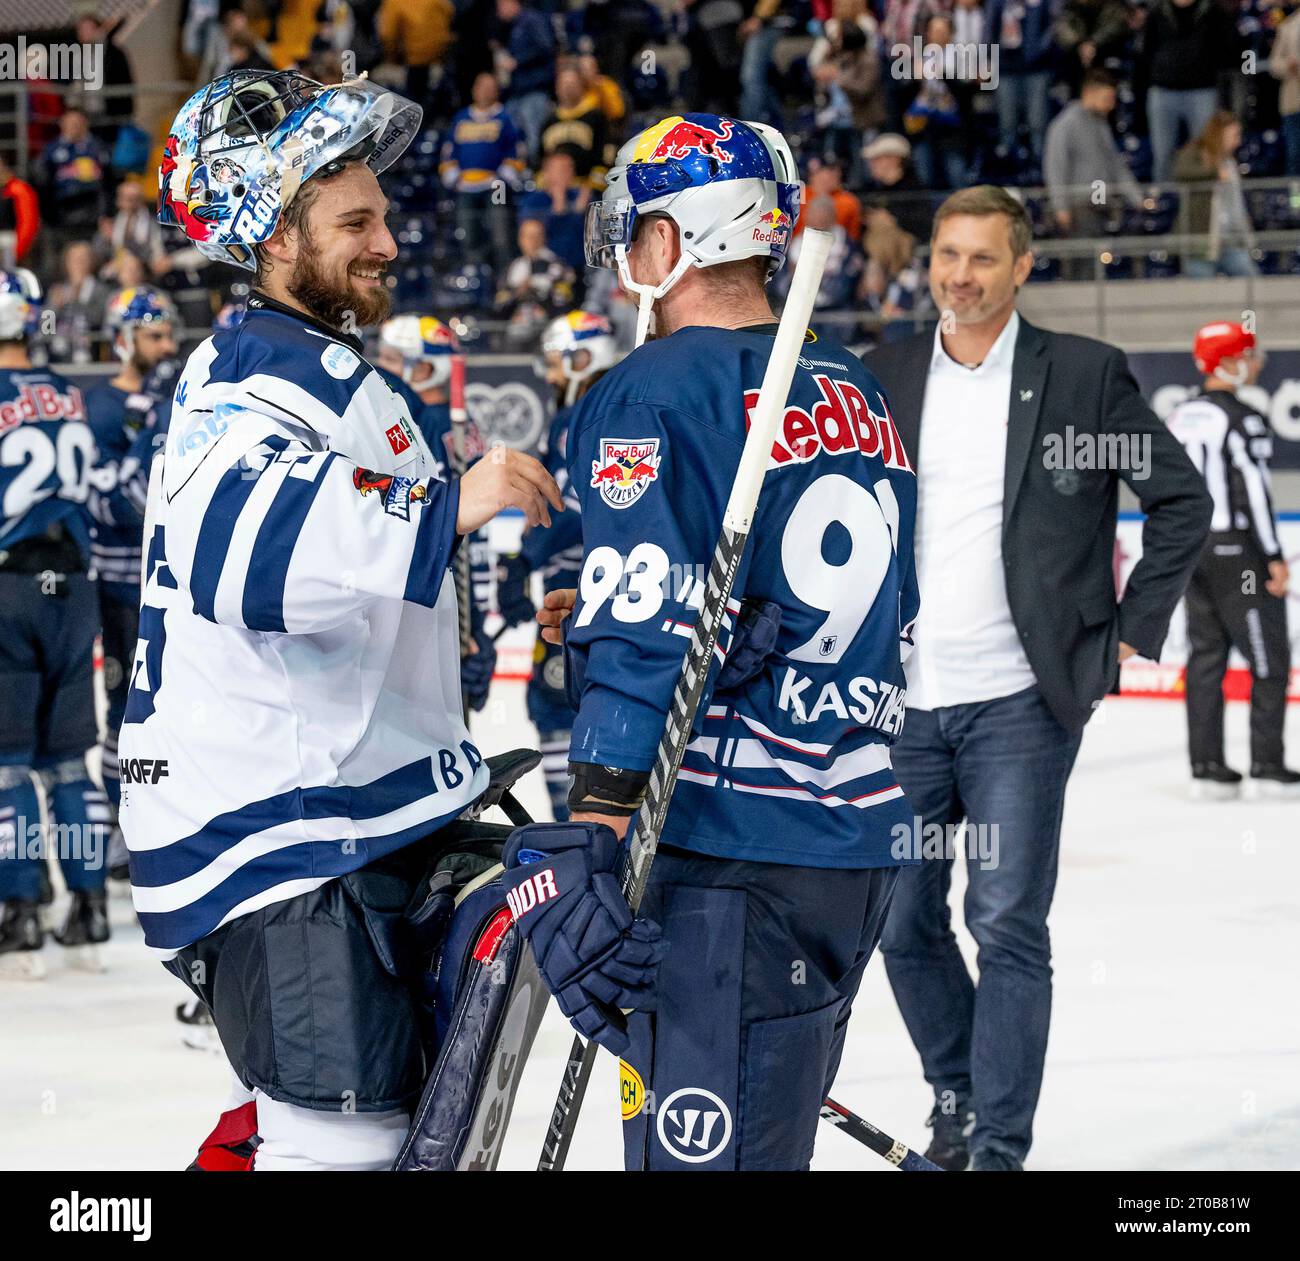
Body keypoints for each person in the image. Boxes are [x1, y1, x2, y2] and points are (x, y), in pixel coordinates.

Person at [128, 69, 562, 1170]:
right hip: (279, 836)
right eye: (354, 221)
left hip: (340, 809)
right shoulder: (246, 376)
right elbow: (245, 556)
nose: (386, 243)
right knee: (347, 1146)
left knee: (382, 1124)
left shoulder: (307, 372)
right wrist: (445, 503)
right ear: (276, 237)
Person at [511, 112, 919, 1170]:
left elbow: (650, 626)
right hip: (851, 841)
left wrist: (596, 821)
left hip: (722, 848)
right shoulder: (854, 387)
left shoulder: (648, 388)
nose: (620, 257)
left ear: (670, 241)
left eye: (632, 230)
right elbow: (890, 606)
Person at [866, 185, 1211, 1170]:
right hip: (901, 705)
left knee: (1005, 918)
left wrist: (1123, 636)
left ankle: (998, 1147)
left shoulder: (1082, 378)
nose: (959, 276)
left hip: (1021, 703)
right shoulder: (881, 375)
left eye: (982, 258)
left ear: (1021, 268)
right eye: (946, 255)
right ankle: (959, 1089)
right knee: (900, 919)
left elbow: (1179, 504)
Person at [0, 270, 112, 978]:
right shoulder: (72, 395)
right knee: (69, 762)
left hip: (9, 582)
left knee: (7, 765)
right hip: (74, 587)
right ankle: (91, 902)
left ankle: (20, 909)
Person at [1167, 322, 1297, 796]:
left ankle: (1207, 768)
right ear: (1227, 362)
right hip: (1237, 553)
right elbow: (1255, 495)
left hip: (1193, 550)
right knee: (1268, 657)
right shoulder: (1243, 418)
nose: (1256, 362)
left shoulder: (1179, 417)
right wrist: (1274, 557)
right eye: (1248, 354)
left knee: (1206, 657)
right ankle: (1266, 765)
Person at [506, 310, 618, 820]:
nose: (551, 375)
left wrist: (522, 559)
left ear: (582, 357)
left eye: (557, 363)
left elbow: (573, 509)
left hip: (581, 590)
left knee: (558, 705)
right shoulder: (578, 411)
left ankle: (574, 830)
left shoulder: (588, 413)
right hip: (576, 586)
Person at [84, 288, 179, 848]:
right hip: (119, 586)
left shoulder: (177, 400)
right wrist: (145, 439)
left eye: (169, 335)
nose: (166, 347)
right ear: (123, 340)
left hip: (170, 586)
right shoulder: (98, 408)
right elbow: (106, 503)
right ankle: (117, 835)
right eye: (153, 335)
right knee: (123, 710)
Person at [374, 314, 497, 713]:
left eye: (392, 359)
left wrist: (469, 625)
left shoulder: (423, 423)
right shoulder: (456, 425)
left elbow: (447, 527)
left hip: (435, 608)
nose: (380, 367)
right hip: (452, 608)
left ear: (424, 368)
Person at [1043, 68, 1144, 276]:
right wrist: (1060, 206)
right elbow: (1055, 166)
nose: (1112, 103)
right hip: (1079, 208)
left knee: (1097, 268)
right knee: (1083, 268)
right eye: (1107, 97)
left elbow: (1116, 166)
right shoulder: (1066, 123)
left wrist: (1137, 198)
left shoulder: (1100, 124)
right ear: (1089, 93)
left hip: (1100, 207)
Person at [1139, 0, 1238, 184]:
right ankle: (1164, 205)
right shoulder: (1158, 11)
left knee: (1205, 153)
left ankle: (1204, 206)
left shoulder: (1212, 11)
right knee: (1162, 156)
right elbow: (1146, 50)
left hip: (1202, 90)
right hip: (1163, 90)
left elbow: (1228, 47)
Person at [440, 72, 525, 278]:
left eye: (490, 87)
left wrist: (502, 178)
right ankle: (474, 280)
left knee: (501, 236)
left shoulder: (506, 118)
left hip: (495, 186)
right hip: (465, 187)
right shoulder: (461, 118)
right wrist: (454, 178)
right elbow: (449, 152)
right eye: (481, 87)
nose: (485, 91)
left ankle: (505, 280)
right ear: (474, 90)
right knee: (468, 235)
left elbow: (516, 153)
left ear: (496, 91)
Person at [1173, 112, 1258, 279]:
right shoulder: (1195, 152)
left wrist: (1246, 234)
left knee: (1251, 281)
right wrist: (1214, 173)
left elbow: (1237, 204)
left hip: (1230, 241)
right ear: (1220, 133)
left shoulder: (1231, 163)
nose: (1238, 141)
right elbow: (1180, 171)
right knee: (1203, 295)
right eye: (1234, 135)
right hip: (1200, 243)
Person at [1268, 4, 1300, 177]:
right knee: (1295, 155)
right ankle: (1295, 202)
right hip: (1294, 102)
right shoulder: (1289, 26)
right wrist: (1289, 64)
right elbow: (1274, 64)